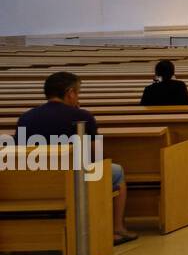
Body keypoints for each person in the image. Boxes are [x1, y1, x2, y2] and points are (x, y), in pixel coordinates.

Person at [19, 72, 137, 245]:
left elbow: (19, 151)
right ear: (70, 93)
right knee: (116, 171)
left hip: (35, 180)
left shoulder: (26, 117)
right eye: (78, 92)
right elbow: (96, 155)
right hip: (71, 178)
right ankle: (117, 228)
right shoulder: (82, 117)